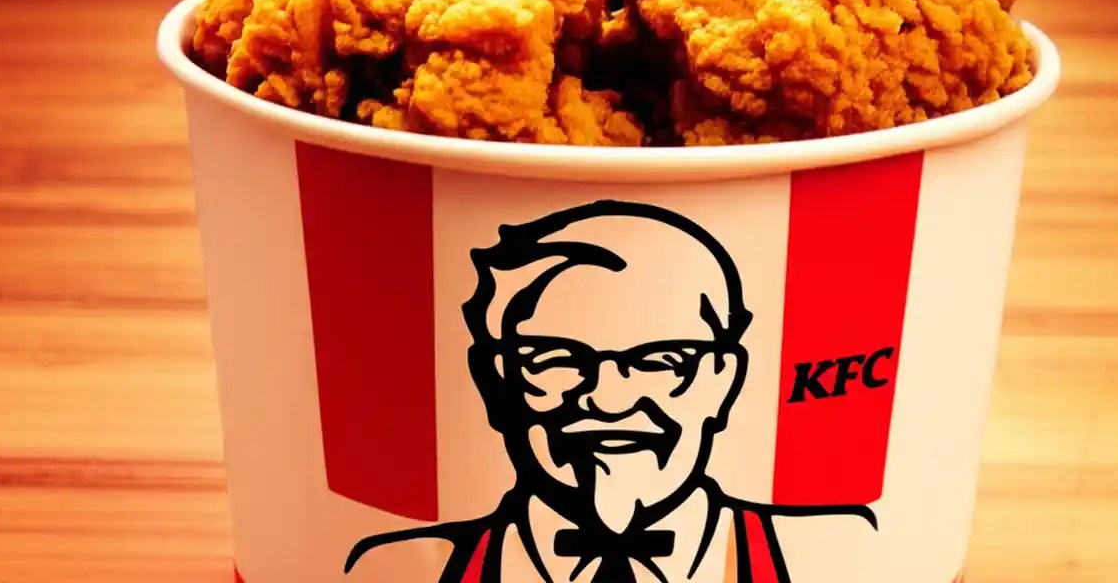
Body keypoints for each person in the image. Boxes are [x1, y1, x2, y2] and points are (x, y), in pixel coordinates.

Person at [345, 201, 877, 582]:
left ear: (723, 381)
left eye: (663, 361)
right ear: (495, 382)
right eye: (556, 361)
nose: (610, 398)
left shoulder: (839, 551)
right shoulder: (390, 566)